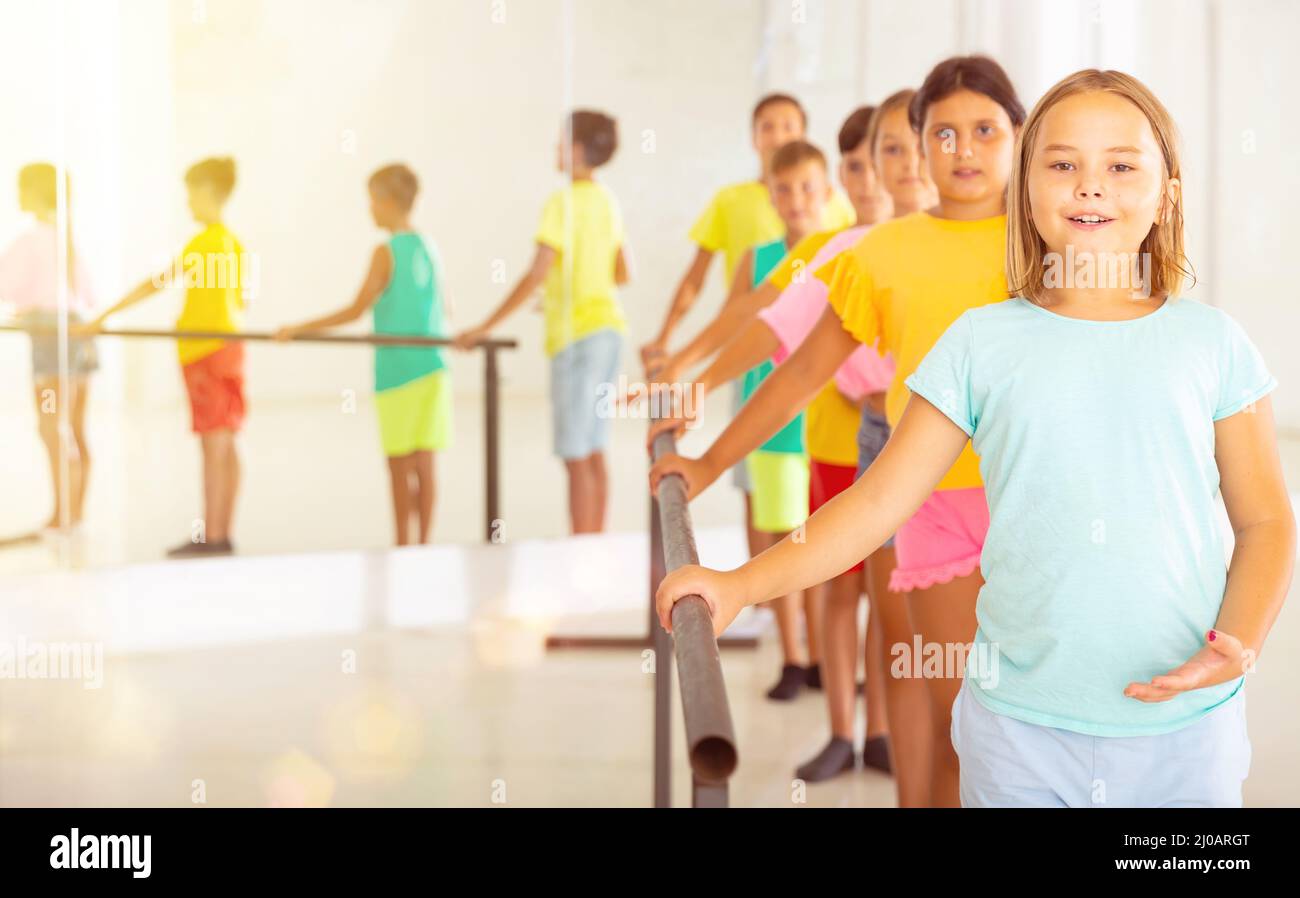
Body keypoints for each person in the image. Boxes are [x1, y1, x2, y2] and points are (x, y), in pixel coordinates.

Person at [658, 69, 1293, 809]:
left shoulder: (1213, 343)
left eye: (1121, 166)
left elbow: (1266, 521)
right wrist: (740, 584)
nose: (1091, 187)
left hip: (1185, 737)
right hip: (1019, 737)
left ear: (1168, 193)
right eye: (1063, 165)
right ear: (1027, 186)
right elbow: (877, 505)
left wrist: (1237, 645)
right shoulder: (980, 343)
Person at [454, 111, 628, 534]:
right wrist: (560, 293)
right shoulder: (607, 199)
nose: (556, 149)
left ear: (580, 150)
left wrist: (484, 327)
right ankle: (596, 542)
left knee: (574, 454)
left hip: (576, 340)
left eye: (562, 141)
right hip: (608, 332)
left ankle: (581, 547)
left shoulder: (562, 201)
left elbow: (535, 272)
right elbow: (621, 272)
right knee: (594, 447)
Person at [276, 164, 451, 545]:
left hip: (398, 371)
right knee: (426, 463)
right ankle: (425, 545)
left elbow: (355, 310)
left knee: (399, 466)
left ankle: (404, 543)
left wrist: (298, 328)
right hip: (434, 366)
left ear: (387, 202)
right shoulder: (429, 246)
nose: (369, 209)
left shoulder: (384, 252)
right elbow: (444, 308)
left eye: (371, 201)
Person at [88, 157, 248, 557]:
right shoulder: (233, 243)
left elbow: (154, 284)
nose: (188, 203)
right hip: (230, 349)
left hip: (206, 352)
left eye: (192, 194)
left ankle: (212, 536)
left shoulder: (205, 242)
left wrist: (104, 316)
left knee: (213, 443)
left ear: (209, 192)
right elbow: (240, 300)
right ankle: (222, 531)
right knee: (226, 440)